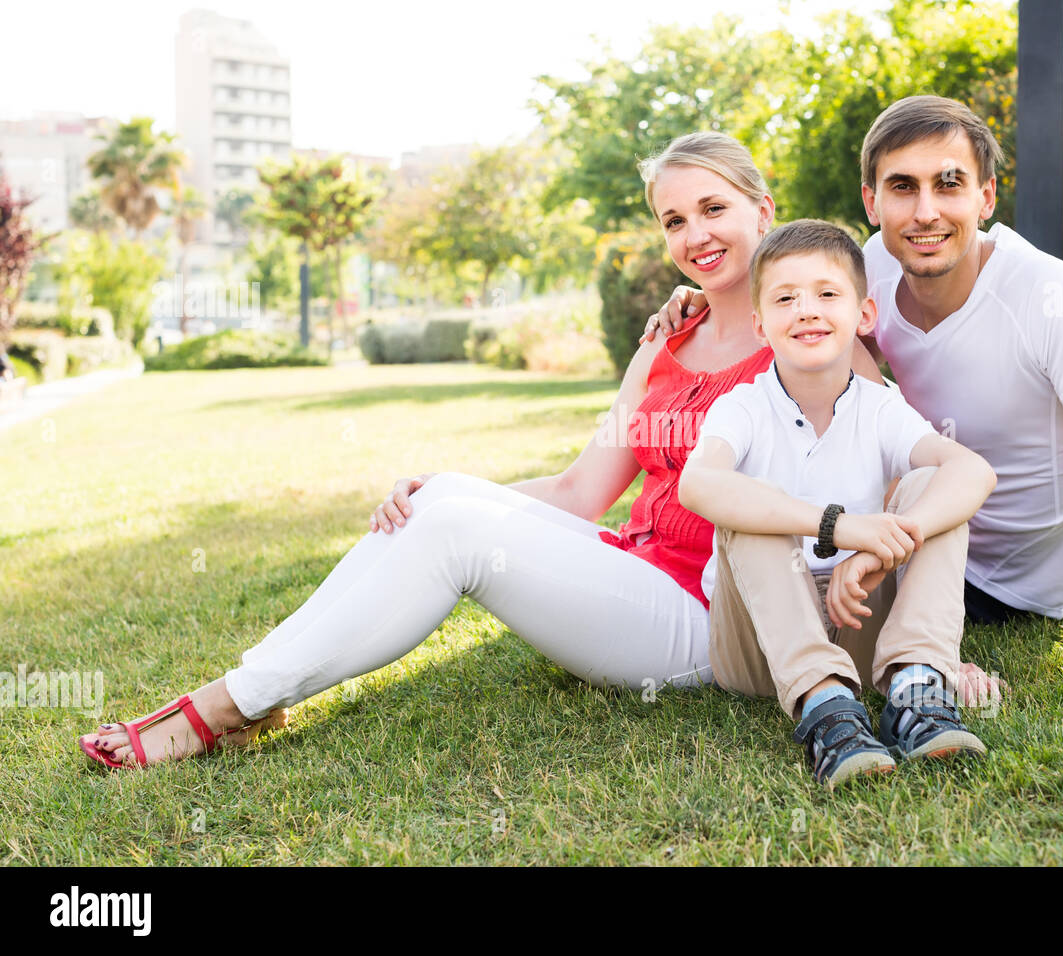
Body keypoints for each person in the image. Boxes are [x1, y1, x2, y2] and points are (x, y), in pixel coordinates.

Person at [79, 131, 886, 769]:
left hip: (712, 620)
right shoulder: (665, 343)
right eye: (674, 220)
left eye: (713, 209)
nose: (695, 235)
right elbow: (580, 491)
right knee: (436, 503)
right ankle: (262, 690)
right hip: (634, 564)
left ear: (761, 209)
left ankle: (226, 706)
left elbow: (884, 470)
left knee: (455, 532)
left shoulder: (812, 334)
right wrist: (445, 484)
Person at [646, 96, 1063, 692]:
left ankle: (918, 659)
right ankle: (853, 668)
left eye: (949, 184)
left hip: (1003, 584)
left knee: (934, 484)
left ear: (985, 196)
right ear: (872, 201)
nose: (925, 212)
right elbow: (815, 338)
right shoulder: (872, 269)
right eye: (903, 188)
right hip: (882, 548)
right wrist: (711, 296)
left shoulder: (1050, 298)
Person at [679, 218, 997, 787]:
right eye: (785, 298)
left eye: (827, 294)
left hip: (861, 617)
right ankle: (828, 711)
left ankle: (916, 688)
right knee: (751, 504)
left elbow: (973, 471)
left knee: (936, 484)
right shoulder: (741, 409)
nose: (807, 310)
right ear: (760, 325)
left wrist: (882, 549)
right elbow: (699, 485)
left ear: (863, 315)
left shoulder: (880, 407)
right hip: (760, 641)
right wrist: (841, 528)